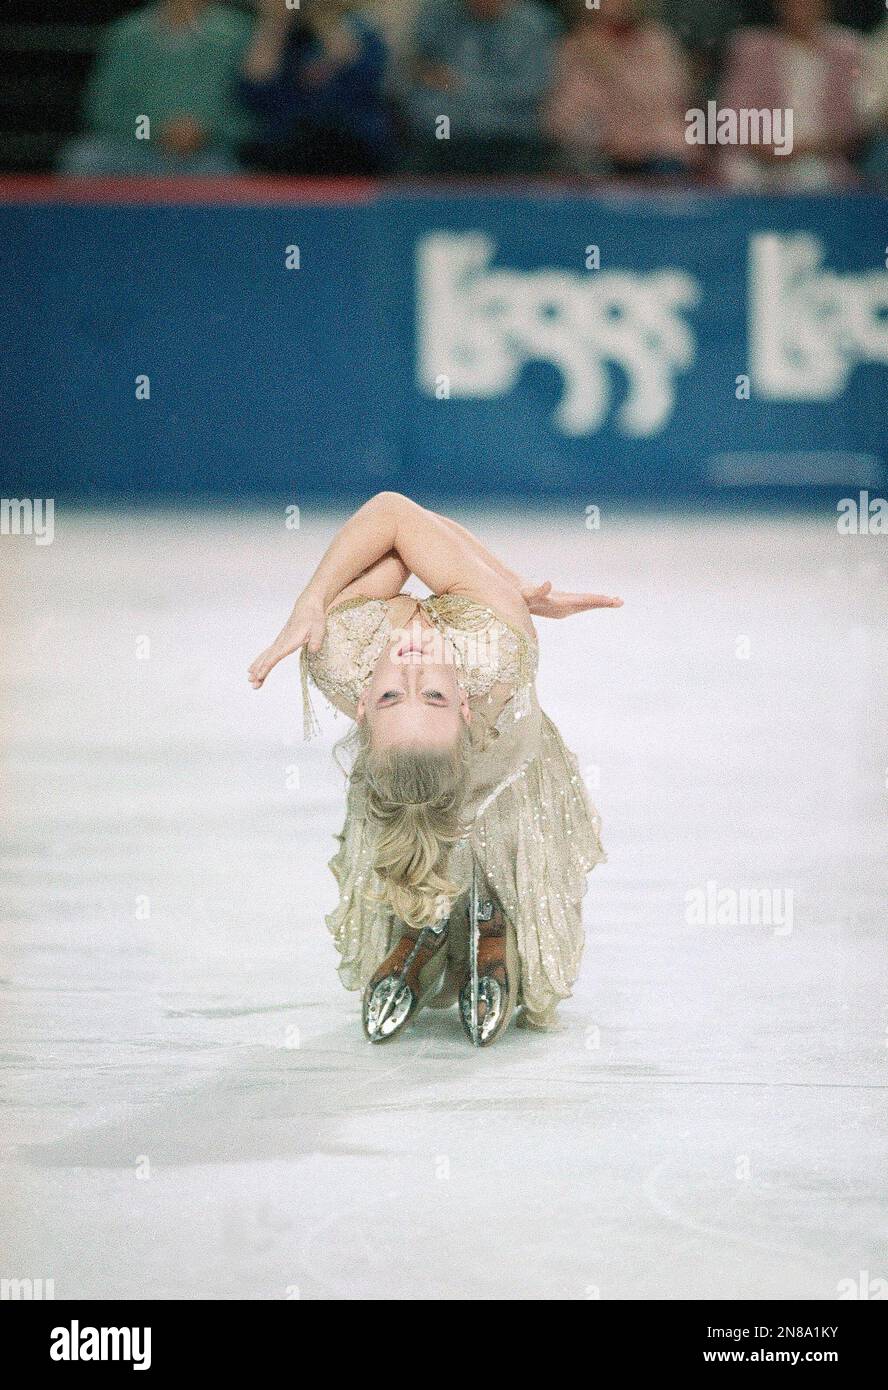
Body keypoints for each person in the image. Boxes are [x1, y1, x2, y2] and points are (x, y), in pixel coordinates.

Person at [248, 492, 621, 1046]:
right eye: (428, 695)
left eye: (397, 695)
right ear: (361, 711)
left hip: (509, 771)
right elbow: (405, 526)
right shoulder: (493, 637)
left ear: (365, 708)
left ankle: (486, 919)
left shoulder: (345, 650)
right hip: (414, 772)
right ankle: (423, 920)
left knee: (461, 829)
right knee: (411, 807)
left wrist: (312, 599)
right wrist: (497, 585)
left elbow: (398, 524)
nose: (414, 665)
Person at [59, 0, 254, 176]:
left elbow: (251, 110)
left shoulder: (239, 33)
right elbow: (102, 109)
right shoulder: (128, 34)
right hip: (131, 150)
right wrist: (153, 131)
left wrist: (204, 131)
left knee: (223, 176)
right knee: (84, 160)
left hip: (208, 154)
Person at [717, 0, 865, 190]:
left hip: (816, 158)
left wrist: (803, 149)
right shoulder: (751, 47)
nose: (801, 7)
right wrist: (769, 149)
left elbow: (850, 125)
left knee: (815, 178)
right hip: (756, 158)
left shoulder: (847, 50)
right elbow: (731, 117)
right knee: (740, 175)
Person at [401, 0, 559, 176]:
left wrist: (461, 85)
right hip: (443, 142)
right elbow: (420, 86)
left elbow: (531, 90)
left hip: (512, 143)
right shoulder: (435, 17)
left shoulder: (535, 23)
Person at [238, 0, 395, 175]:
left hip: (352, 146)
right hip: (286, 149)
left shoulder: (363, 31)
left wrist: (322, 18)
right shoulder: (280, 37)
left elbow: (361, 80)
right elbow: (255, 90)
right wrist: (276, 22)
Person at [545, 0, 693, 179]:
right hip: (600, 157)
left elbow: (658, 103)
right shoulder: (575, 47)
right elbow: (559, 120)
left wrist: (610, 66)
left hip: (657, 153)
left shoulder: (656, 42)